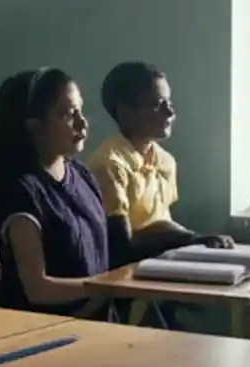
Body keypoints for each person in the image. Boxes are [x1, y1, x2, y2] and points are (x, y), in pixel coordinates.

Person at [0, 68, 126, 317]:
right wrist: (106, 286)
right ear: (34, 124)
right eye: (67, 114)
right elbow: (38, 288)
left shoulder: (81, 174)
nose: (82, 123)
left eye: (80, 110)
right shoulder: (22, 190)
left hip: (99, 321)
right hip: (49, 330)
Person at [89, 62, 234, 262]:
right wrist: (190, 240)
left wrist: (202, 241)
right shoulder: (109, 164)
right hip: (128, 277)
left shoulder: (165, 161)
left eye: (169, 103)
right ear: (125, 112)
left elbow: (162, 224)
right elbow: (121, 246)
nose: (170, 113)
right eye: (158, 104)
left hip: (161, 265)